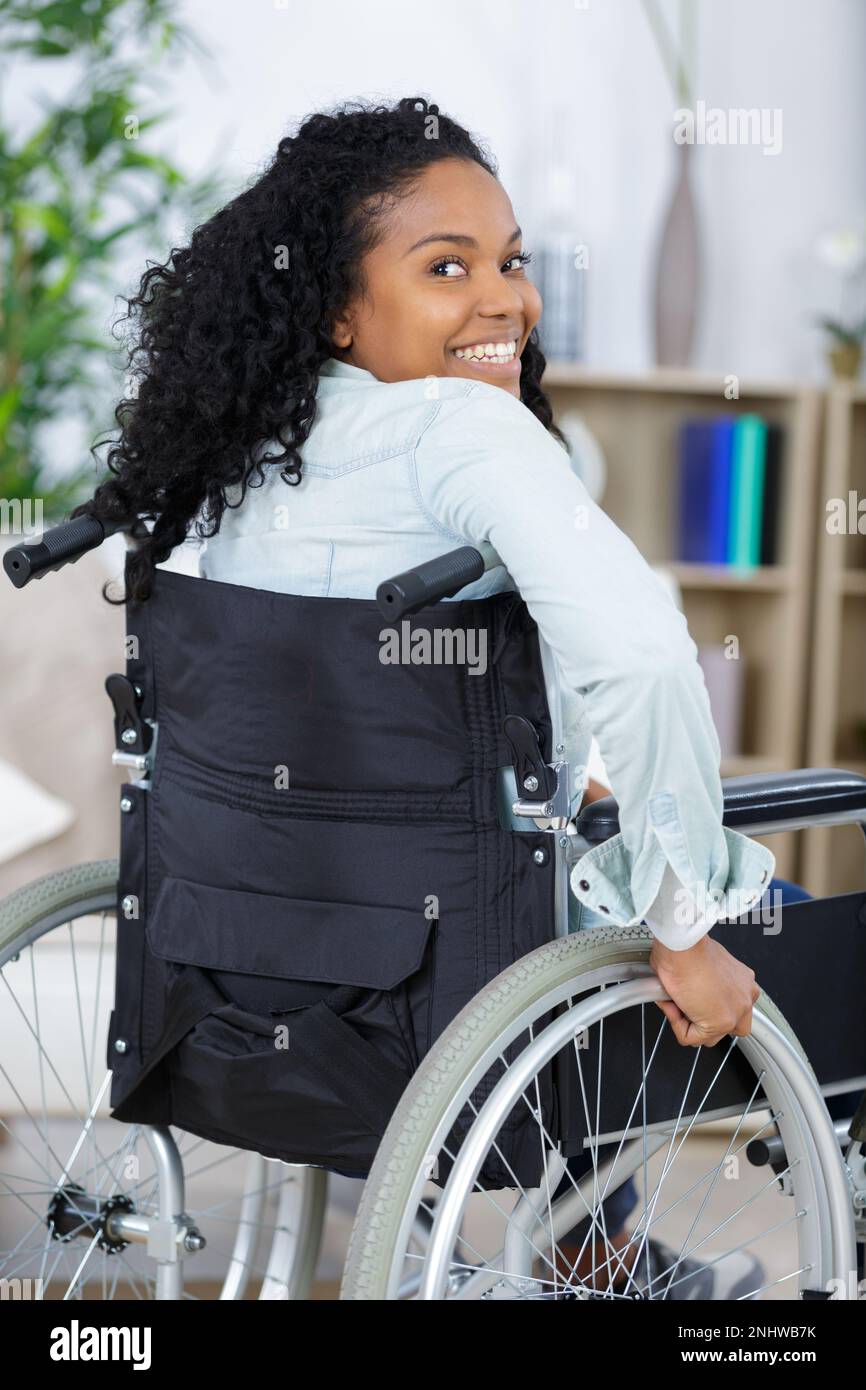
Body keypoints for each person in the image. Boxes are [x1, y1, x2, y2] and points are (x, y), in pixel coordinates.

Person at [71, 95, 789, 1293]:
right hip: (448, 963)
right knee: (796, 920)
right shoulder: (463, 434)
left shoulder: (230, 451)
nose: (503, 297)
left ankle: (552, 1238)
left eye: (510, 262)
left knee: (561, 843)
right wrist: (682, 921)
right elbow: (649, 660)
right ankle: (621, 1240)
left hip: (256, 945)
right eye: (444, 266)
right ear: (338, 307)